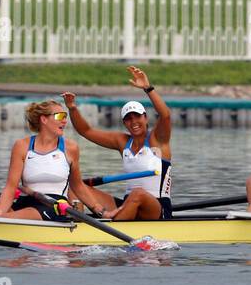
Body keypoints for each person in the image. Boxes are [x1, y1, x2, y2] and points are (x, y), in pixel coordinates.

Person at [64, 66, 174, 220]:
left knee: (138, 193)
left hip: (157, 207)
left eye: (137, 117)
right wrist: (72, 108)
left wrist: (148, 88)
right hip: (129, 203)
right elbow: (86, 131)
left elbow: (166, 116)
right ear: (124, 122)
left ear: (146, 118)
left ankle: (112, 230)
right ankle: (79, 226)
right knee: (76, 186)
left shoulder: (157, 140)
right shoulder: (123, 142)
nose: (133, 122)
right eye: (128, 119)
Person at [0, 100, 100, 220]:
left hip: (55, 206)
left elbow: (77, 186)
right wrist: (0, 213)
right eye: (60, 116)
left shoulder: (71, 148)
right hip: (27, 201)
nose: (65, 121)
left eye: (65, 116)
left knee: (8, 218)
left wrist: (99, 210)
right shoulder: (21, 146)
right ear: (44, 119)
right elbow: (11, 187)